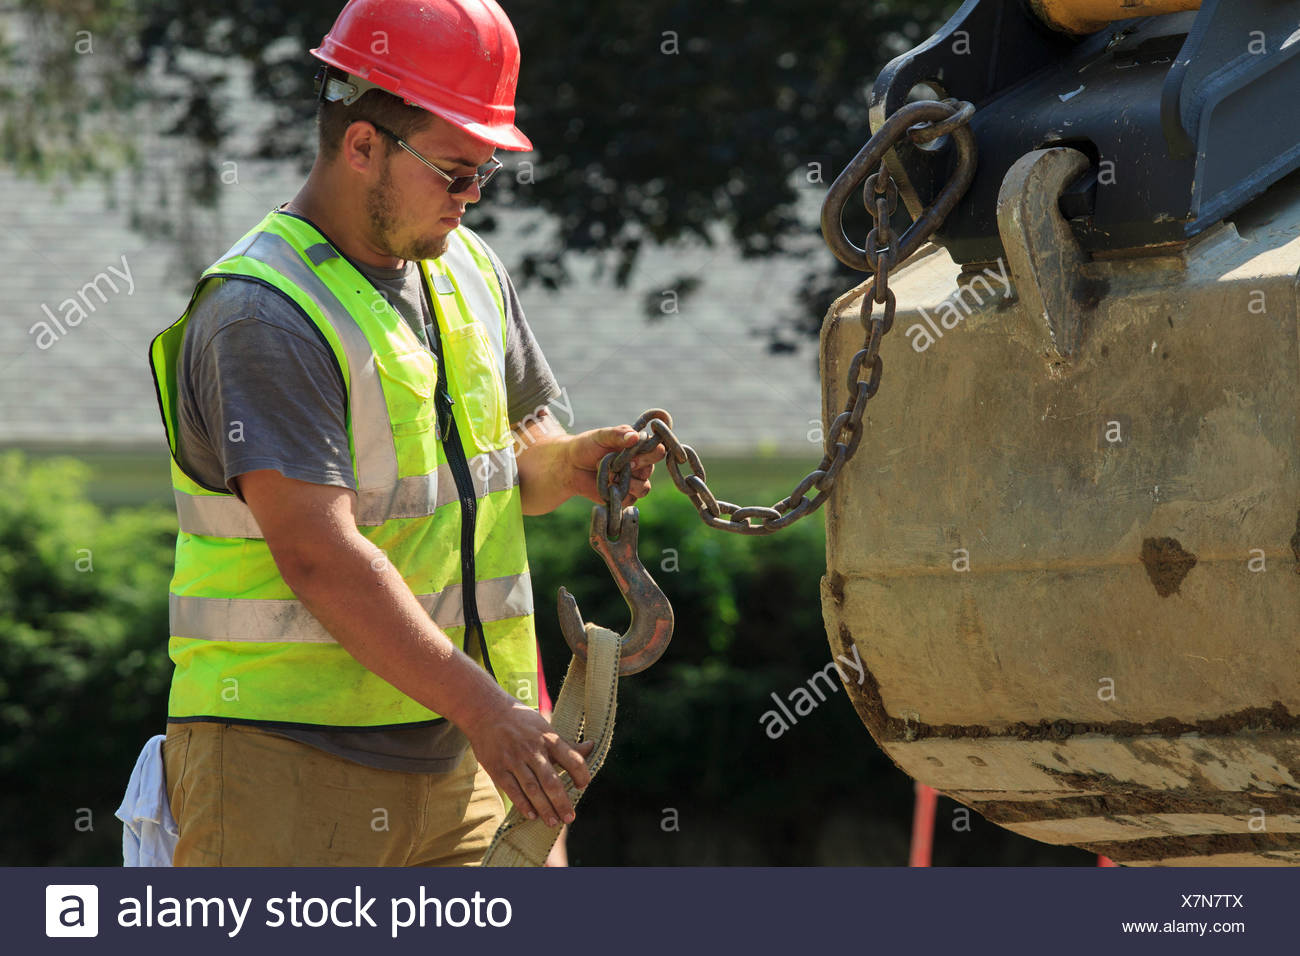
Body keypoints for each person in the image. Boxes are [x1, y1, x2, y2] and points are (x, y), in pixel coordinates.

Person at [147, 0, 663, 866]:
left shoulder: (465, 271)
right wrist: (490, 712)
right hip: (286, 761)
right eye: (455, 172)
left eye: (486, 175)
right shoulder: (262, 315)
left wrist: (571, 464)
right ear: (362, 147)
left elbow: (508, 470)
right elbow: (318, 552)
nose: (471, 199)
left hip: (469, 759)